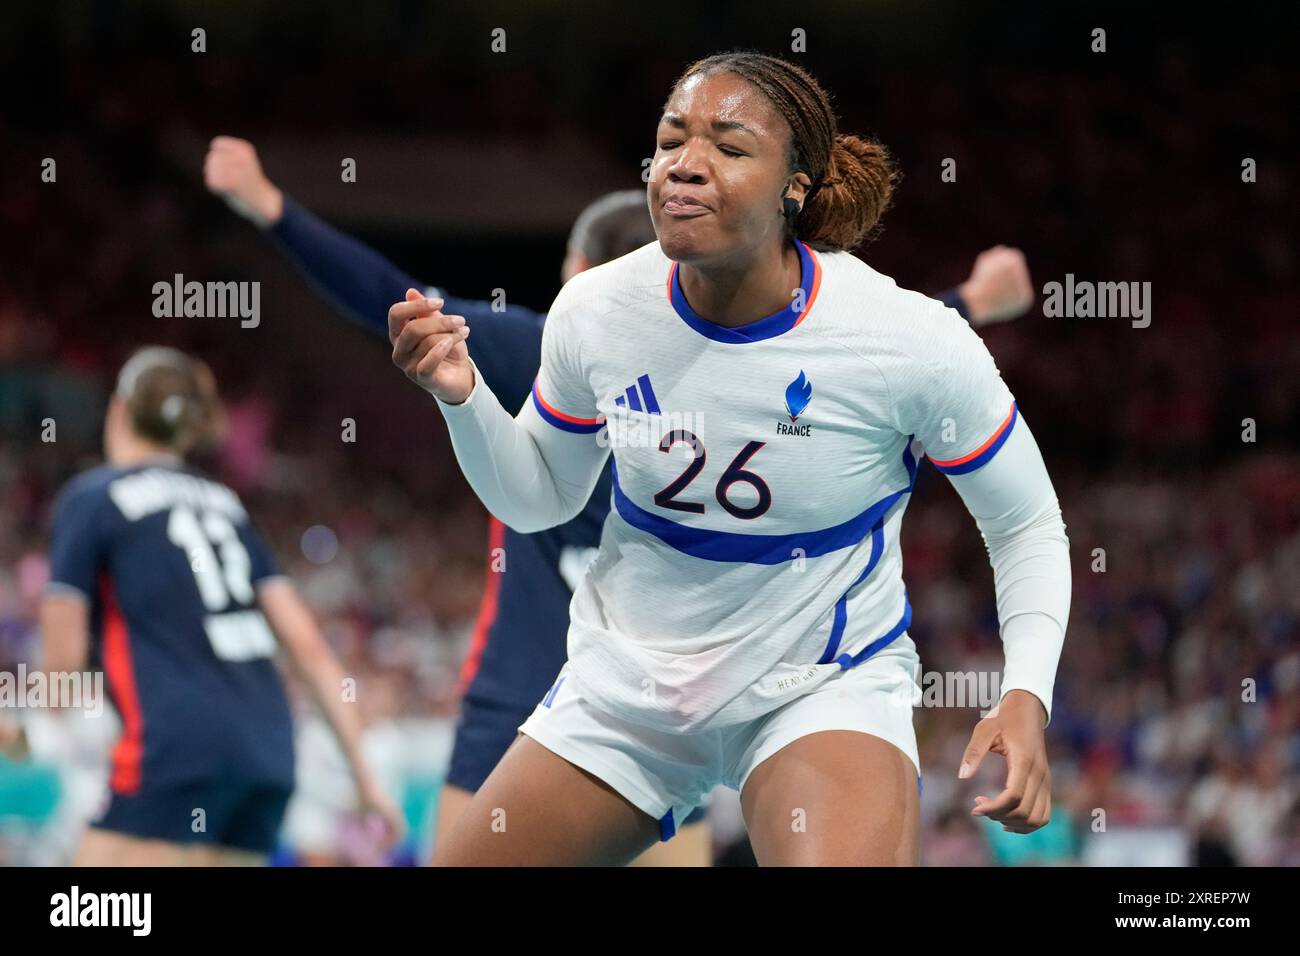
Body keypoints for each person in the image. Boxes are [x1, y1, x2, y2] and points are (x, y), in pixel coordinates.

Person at [205, 130, 1035, 865]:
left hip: (551, 694)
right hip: (684, 690)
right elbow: (840, 350)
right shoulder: (703, 345)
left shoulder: (537, 340)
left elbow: (392, 298)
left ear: (575, 272)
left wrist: (272, 208)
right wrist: (965, 301)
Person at [391, 51, 1071, 866]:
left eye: (730, 146)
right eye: (671, 138)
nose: (685, 164)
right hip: (626, 693)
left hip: (820, 687)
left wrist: (1027, 691)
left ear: (796, 185)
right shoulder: (598, 310)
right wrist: (464, 401)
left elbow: (1025, 522)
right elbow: (540, 497)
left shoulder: (907, 340)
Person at [37, 346, 402, 865]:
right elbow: (309, 649)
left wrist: (33, 728)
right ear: (189, 430)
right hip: (267, 755)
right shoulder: (228, 507)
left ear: (119, 409)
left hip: (174, 749)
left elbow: (64, 659)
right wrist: (365, 780)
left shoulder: (91, 498)